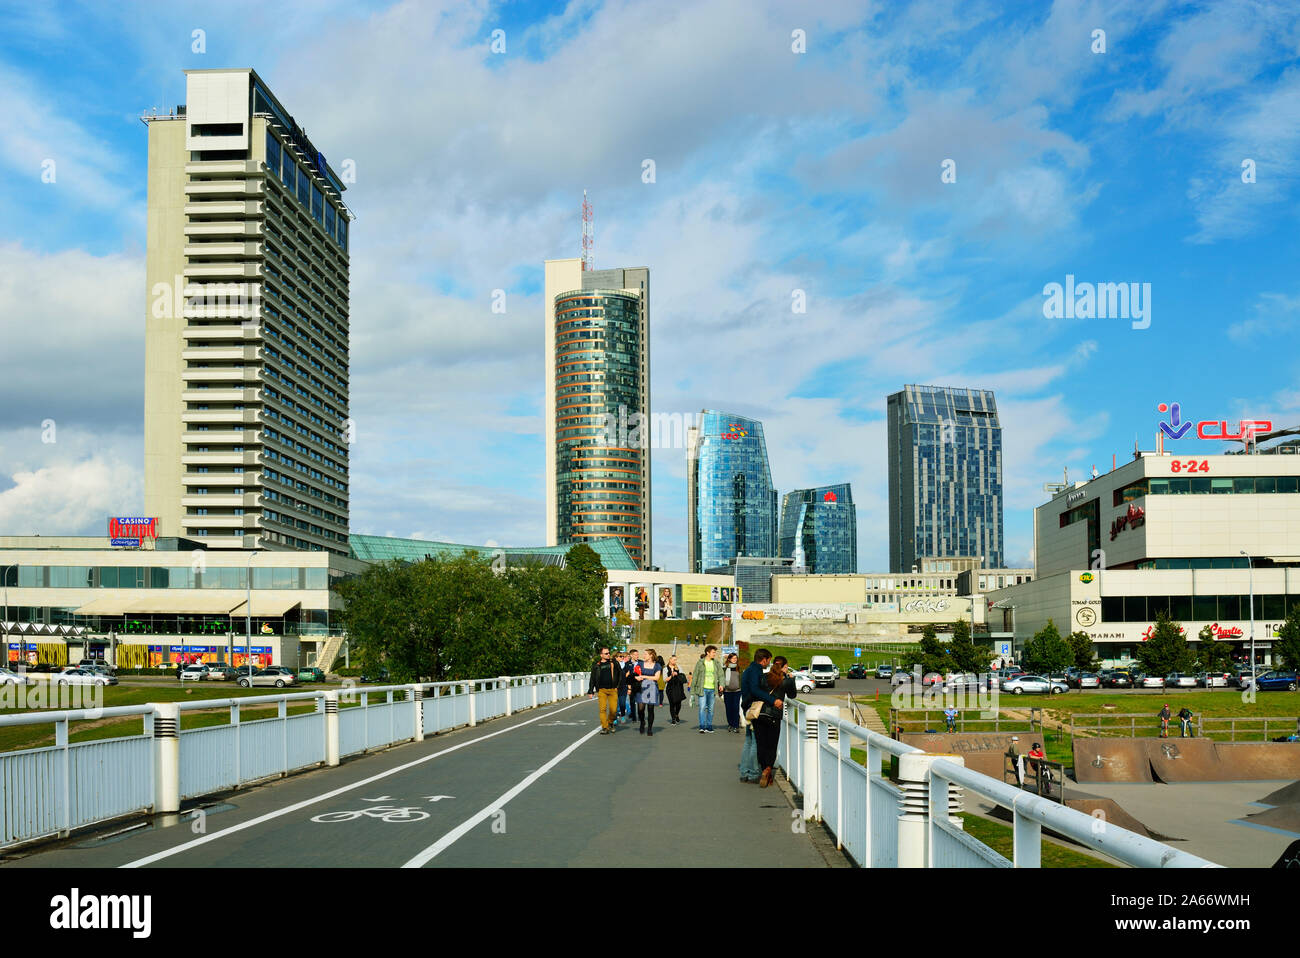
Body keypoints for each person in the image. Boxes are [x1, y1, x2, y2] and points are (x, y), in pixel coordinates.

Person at [742, 649, 792, 788]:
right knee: (768, 745)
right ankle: (761, 771)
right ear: (764, 659)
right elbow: (755, 690)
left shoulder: (755, 672)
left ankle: (749, 771)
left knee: (757, 743)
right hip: (767, 713)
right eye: (768, 660)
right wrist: (773, 699)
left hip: (757, 712)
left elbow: (754, 690)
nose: (768, 663)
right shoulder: (757, 672)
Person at [587, 646, 623, 734]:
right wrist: (591, 691)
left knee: (613, 710)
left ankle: (610, 722)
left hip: (612, 689)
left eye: (608, 653)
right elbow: (592, 678)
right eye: (606, 653)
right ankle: (605, 727)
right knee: (602, 709)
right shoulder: (597, 665)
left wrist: (617, 686)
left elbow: (620, 674)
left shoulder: (614, 663)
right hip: (602, 690)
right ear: (601, 655)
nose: (608, 655)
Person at [692, 644, 722, 733]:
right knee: (702, 708)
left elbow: (721, 675)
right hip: (703, 689)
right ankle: (702, 726)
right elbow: (695, 676)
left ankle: (709, 726)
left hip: (712, 689)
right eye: (713, 652)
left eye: (715, 652)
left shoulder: (716, 663)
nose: (714, 654)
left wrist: (721, 684)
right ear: (707, 653)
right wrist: (692, 692)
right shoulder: (700, 662)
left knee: (711, 709)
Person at [636, 648, 662, 736]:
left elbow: (656, 678)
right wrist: (637, 677)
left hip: (652, 687)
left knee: (650, 709)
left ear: (651, 655)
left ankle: (650, 728)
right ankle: (642, 722)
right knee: (640, 709)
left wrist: (644, 676)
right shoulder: (640, 664)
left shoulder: (657, 665)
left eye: (645, 654)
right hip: (641, 687)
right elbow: (635, 674)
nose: (643, 656)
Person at [721, 652, 743, 732]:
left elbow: (742, 680)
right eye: (733, 658)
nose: (735, 660)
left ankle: (736, 725)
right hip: (727, 691)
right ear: (729, 659)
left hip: (737, 691)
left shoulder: (739, 669)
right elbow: (721, 679)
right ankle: (730, 724)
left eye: (736, 658)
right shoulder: (725, 669)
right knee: (729, 708)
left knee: (735, 708)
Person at [664, 656, 687, 724]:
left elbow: (683, 676)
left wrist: (677, 674)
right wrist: (671, 675)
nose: (675, 661)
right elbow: (664, 679)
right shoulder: (665, 669)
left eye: (676, 660)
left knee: (678, 704)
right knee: (672, 704)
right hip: (670, 688)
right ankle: (673, 718)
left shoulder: (679, 667)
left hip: (678, 688)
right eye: (674, 660)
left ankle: (676, 714)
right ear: (670, 660)